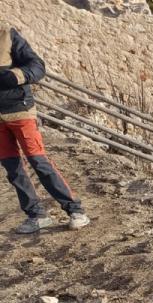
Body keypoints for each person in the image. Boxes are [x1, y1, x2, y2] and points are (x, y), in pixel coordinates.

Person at [1, 25, 89, 234]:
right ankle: (37, 216)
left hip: (20, 111)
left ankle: (76, 210)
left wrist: (15, 76)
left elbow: (37, 65)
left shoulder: (6, 34)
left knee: (38, 161)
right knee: (13, 169)